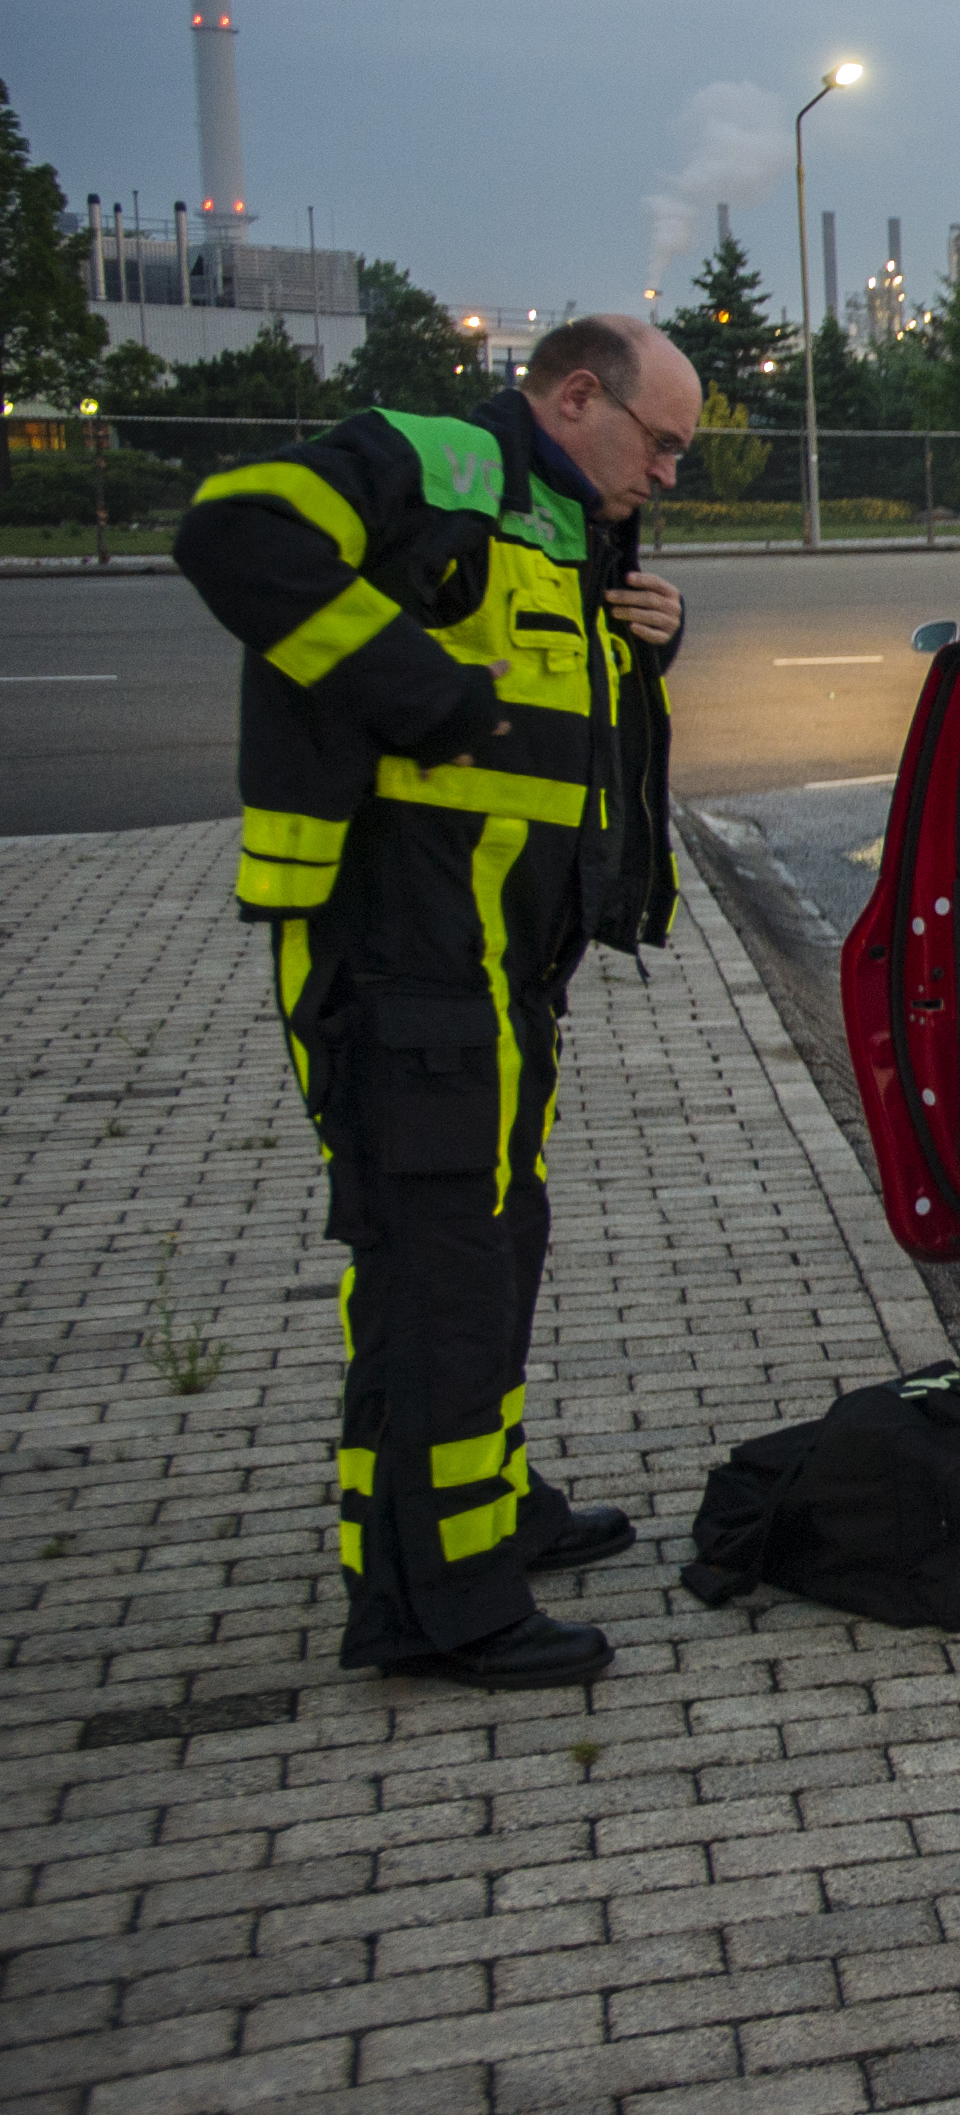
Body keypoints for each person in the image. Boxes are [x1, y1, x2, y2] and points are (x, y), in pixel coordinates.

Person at [174, 314, 696, 1689]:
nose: (665, 478)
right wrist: (415, 690)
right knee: (438, 1260)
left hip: (493, 962)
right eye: (661, 446)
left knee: (490, 1238)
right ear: (577, 395)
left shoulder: (551, 524)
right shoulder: (442, 461)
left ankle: (481, 1508)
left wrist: (649, 633)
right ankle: (436, 1603)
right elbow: (236, 530)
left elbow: (546, 713)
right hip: (404, 952)